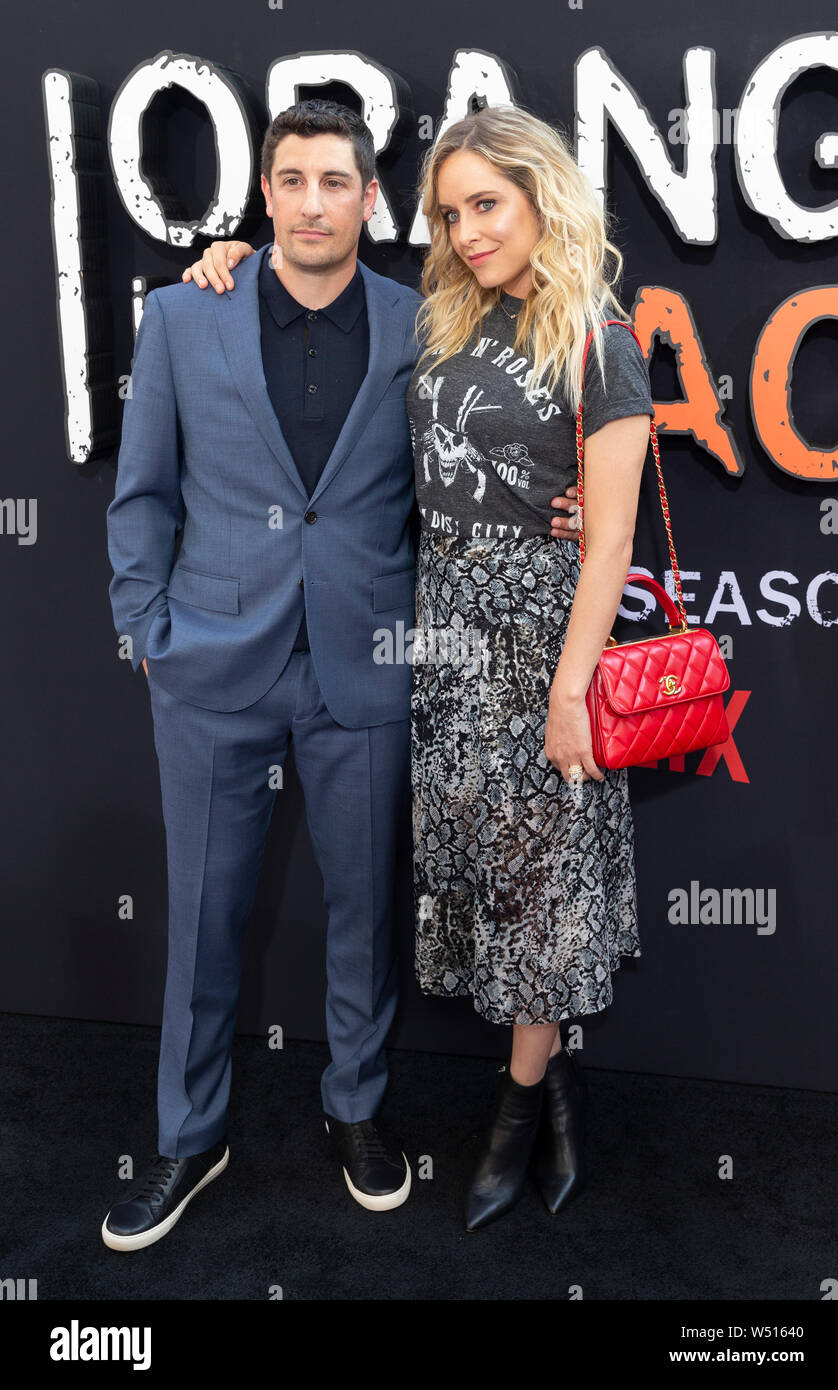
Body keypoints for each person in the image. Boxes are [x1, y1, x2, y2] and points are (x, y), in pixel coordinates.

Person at [102, 97, 583, 1250]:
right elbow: (144, 493)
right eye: (291, 181)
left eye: (336, 182)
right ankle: (186, 1135)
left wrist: (559, 509)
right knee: (204, 917)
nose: (312, 202)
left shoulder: (428, 324)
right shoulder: (181, 315)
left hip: (370, 664)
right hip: (212, 665)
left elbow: (490, 450)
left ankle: (358, 1112)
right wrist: (147, 630)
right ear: (264, 195)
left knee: (364, 914)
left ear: (370, 199)